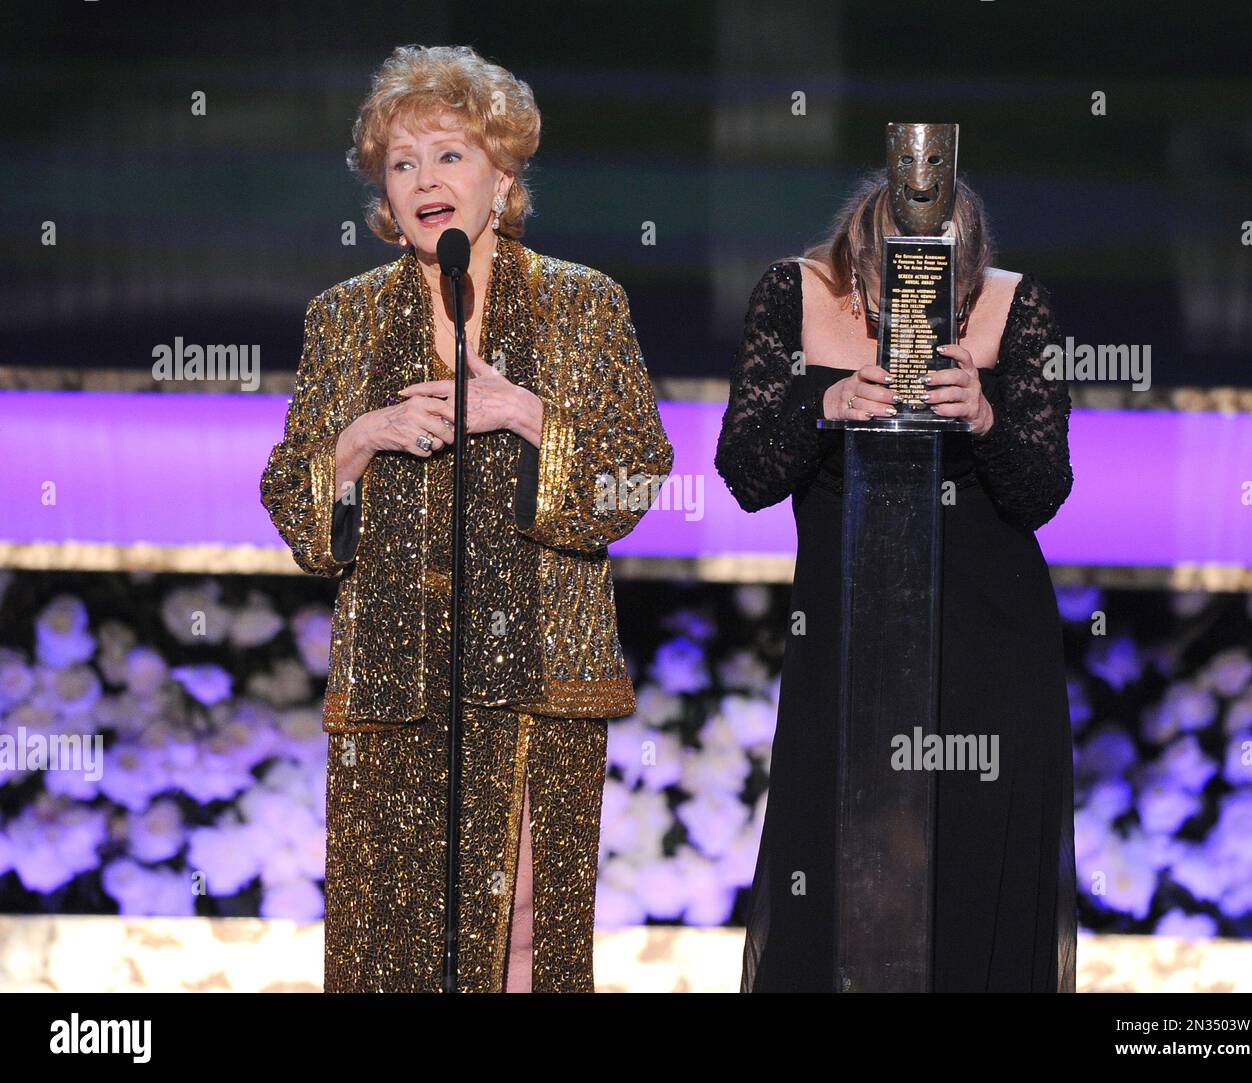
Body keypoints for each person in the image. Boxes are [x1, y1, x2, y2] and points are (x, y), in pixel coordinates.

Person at [259, 44, 673, 993]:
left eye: (449, 155)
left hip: (538, 673)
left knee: (525, 929)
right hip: (393, 678)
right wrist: (360, 437)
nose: (424, 180)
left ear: (502, 175)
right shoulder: (345, 318)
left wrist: (525, 414)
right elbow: (293, 495)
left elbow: (635, 476)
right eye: (403, 164)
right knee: (389, 948)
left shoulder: (582, 303)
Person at [716, 168, 1077, 992]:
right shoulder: (794, 292)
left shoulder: (1015, 305)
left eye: (949, 273)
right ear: (862, 250)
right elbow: (743, 471)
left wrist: (985, 419)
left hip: (989, 647)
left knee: (973, 868)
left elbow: (1042, 491)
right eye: (893, 272)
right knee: (834, 865)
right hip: (845, 644)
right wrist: (826, 410)